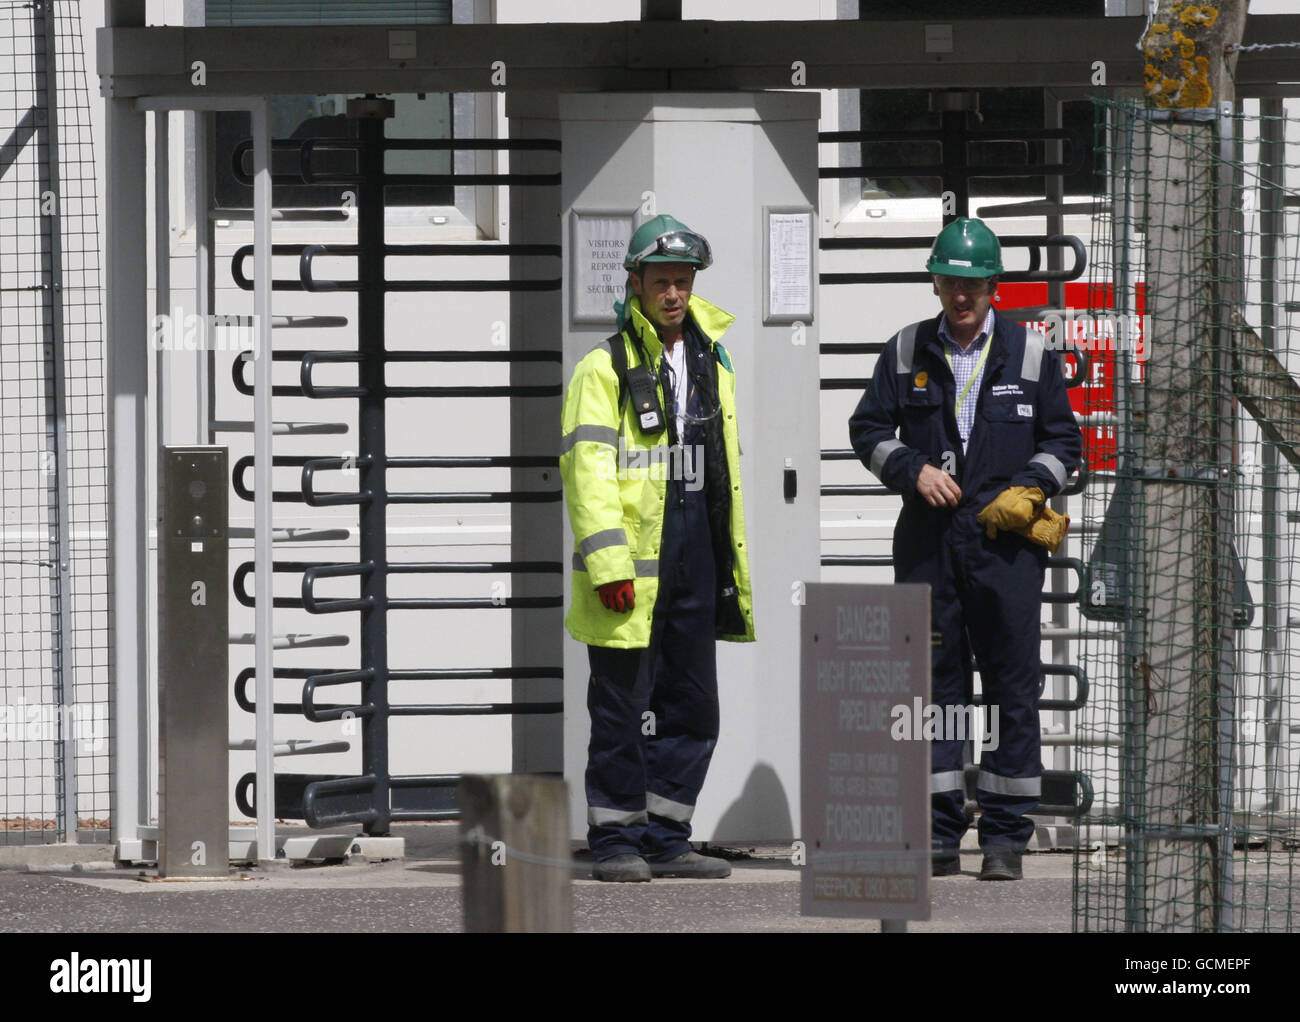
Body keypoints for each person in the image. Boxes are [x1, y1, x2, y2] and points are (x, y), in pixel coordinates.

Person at [848, 217, 1081, 881]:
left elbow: (1066, 444)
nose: (962, 294)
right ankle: (939, 832)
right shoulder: (904, 351)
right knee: (933, 691)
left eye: (975, 283)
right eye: (951, 280)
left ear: (993, 286)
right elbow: (866, 428)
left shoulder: (1031, 354)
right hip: (928, 545)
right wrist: (911, 469)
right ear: (936, 280)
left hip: (1005, 547)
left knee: (1013, 685)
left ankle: (1005, 838)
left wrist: (1033, 484)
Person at [559, 214, 756, 882]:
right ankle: (615, 840)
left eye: (683, 281)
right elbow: (587, 471)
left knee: (693, 706)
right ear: (635, 283)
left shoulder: (713, 359)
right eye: (661, 281)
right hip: (631, 567)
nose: (673, 294)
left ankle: (667, 835)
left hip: (698, 554)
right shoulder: (603, 367)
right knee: (620, 709)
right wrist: (610, 563)